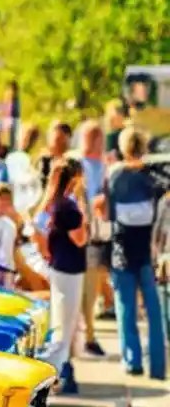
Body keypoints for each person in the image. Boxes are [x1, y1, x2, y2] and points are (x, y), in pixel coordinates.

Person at [108, 129, 166, 378]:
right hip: (146, 251)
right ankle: (157, 365)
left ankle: (132, 361)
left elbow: (109, 214)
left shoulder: (114, 175)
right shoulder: (152, 175)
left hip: (121, 250)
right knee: (154, 311)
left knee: (126, 309)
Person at [38, 160, 88, 394]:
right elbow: (80, 238)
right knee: (65, 326)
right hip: (70, 268)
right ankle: (51, 371)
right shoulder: (68, 208)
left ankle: (57, 370)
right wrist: (84, 212)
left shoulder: (56, 205)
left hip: (60, 266)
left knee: (63, 321)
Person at [77, 120, 114, 356]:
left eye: (99, 137)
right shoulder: (78, 164)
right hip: (78, 231)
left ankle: (89, 334)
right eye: (93, 137)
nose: (97, 142)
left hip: (95, 235)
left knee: (90, 288)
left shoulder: (105, 167)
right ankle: (82, 335)